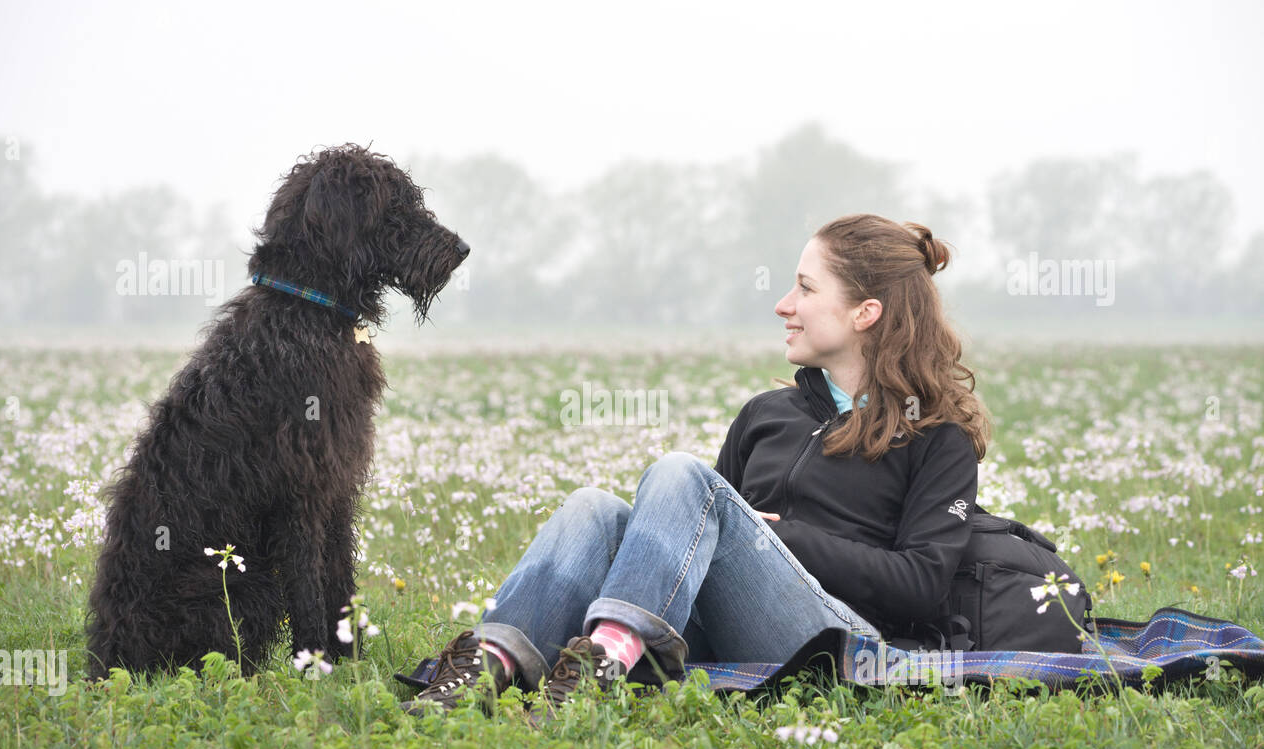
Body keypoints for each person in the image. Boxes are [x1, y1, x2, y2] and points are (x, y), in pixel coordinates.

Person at [401, 214, 991, 721]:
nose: (784, 305)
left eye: (806, 289)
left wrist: (784, 538)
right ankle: (482, 670)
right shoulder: (766, 415)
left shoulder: (936, 437)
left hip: (843, 643)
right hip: (737, 633)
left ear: (865, 312)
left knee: (684, 476)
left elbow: (921, 585)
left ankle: (603, 669)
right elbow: (700, 557)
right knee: (593, 509)